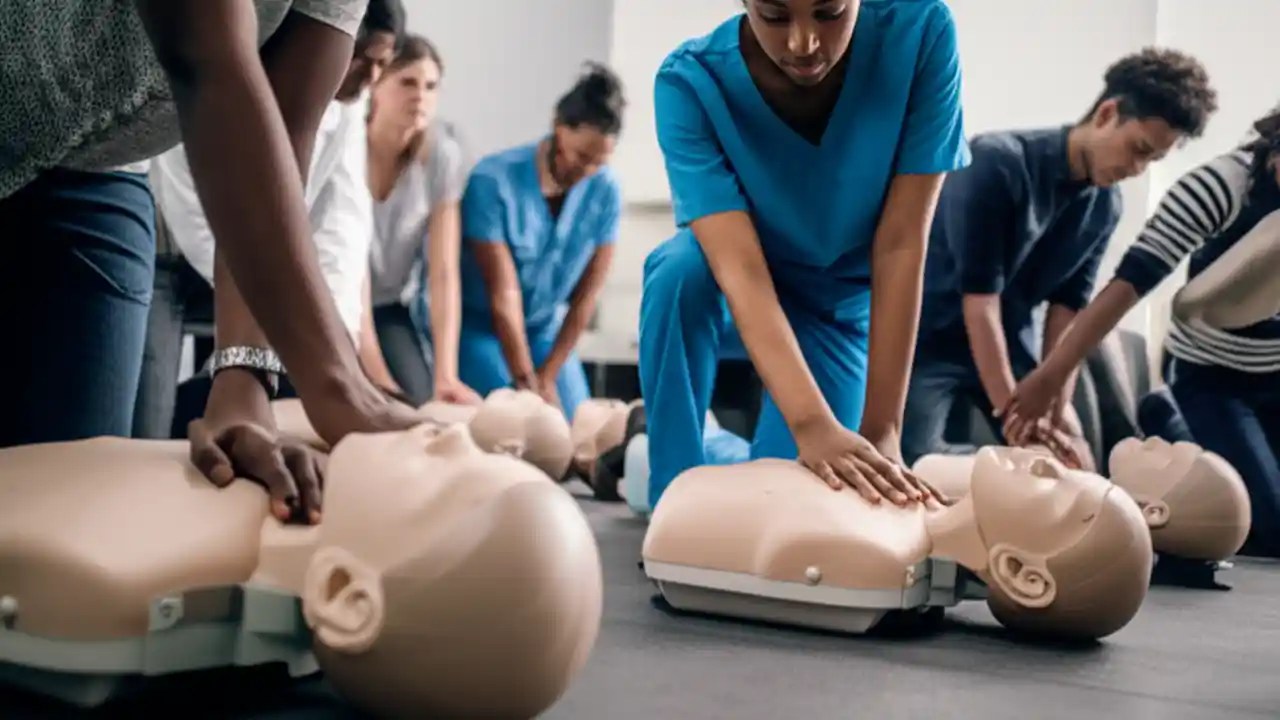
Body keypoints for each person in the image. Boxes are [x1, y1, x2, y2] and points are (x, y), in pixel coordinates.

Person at [0, 2, 423, 511]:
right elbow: (204, 50)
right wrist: (339, 385)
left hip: (98, 169)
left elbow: (282, 129)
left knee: (65, 504)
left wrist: (245, 376)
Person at [636, 0, 968, 510]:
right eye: (775, 16)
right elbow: (738, 267)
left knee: (797, 497)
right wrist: (811, 423)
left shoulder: (920, 34)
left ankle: (691, 448)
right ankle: (672, 494)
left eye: (829, 13)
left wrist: (882, 430)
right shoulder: (690, 83)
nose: (804, 44)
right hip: (737, 288)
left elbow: (901, 242)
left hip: (833, 311)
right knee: (679, 269)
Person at [900, 48, 1217, 467]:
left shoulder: (1106, 207)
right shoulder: (996, 163)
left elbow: (1066, 310)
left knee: (1073, 458)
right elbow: (980, 302)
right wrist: (1016, 418)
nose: (1139, 168)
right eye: (1138, 149)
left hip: (1014, 348)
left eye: (1153, 159)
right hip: (929, 345)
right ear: (1107, 114)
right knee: (921, 457)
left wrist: (1055, 404)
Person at [1005, 108, 1280, 555]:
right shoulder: (1221, 186)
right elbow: (1126, 285)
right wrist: (1051, 376)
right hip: (1214, 376)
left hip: (1275, 371)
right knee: (1262, 527)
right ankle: (1167, 418)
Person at [136, 0, 404, 439]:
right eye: (365, 61)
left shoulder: (350, 103)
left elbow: (342, 223)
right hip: (169, 252)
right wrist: (314, 364)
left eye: (383, 65)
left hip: (251, 246)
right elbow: (204, 66)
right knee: (145, 422)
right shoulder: (237, 62)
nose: (371, 78)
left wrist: (341, 351)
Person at [456, 63, 625, 422]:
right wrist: (525, 381)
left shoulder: (606, 189)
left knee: (578, 426)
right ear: (558, 127)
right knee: (517, 423)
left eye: (599, 162)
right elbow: (504, 295)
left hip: (544, 330)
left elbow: (587, 296)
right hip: (481, 329)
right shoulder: (493, 180)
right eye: (581, 156)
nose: (587, 171)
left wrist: (548, 375)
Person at [365, 35, 481, 406]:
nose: (421, 96)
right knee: (372, 401)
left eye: (431, 86)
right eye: (407, 83)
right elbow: (351, 279)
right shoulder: (346, 146)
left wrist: (446, 375)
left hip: (387, 308)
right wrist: (382, 382)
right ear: (377, 85)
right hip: (331, 307)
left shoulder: (442, 157)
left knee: (419, 400)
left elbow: (443, 272)